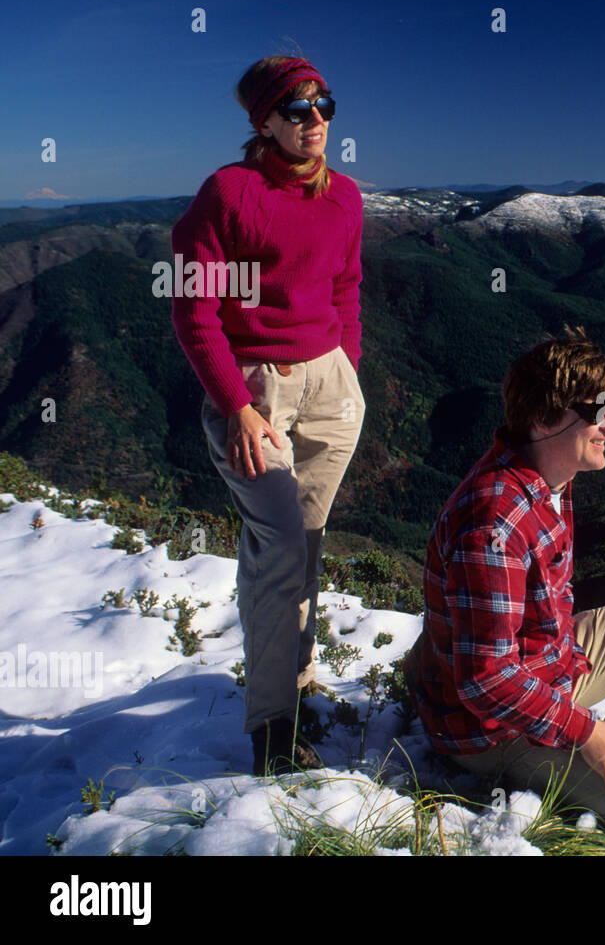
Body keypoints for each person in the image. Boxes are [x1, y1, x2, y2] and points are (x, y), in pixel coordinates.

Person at [406, 327, 605, 839]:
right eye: (598, 412)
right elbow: (485, 680)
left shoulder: (549, 479)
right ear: (544, 419)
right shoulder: (494, 524)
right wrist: (585, 731)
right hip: (487, 728)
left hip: (545, 667)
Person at [170, 55, 365, 774]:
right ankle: (271, 731)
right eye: (296, 107)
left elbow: (347, 284)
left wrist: (348, 368)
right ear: (263, 120)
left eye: (324, 104)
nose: (314, 119)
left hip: (330, 387)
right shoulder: (227, 194)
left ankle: (298, 677)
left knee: (306, 542)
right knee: (280, 545)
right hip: (256, 392)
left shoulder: (345, 196)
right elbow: (195, 312)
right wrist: (239, 407)